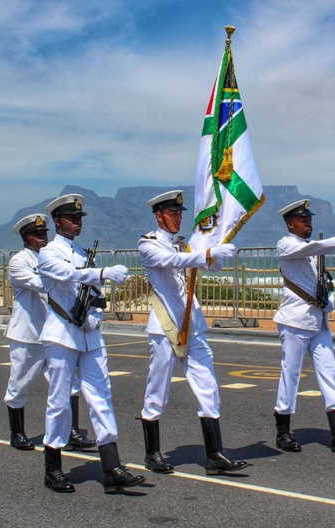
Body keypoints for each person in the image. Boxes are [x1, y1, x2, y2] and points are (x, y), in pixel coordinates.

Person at [37, 193, 145, 494]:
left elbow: (96, 294)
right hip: (61, 334)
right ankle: (53, 468)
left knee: (101, 396)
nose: (77, 222)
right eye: (71, 218)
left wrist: (95, 317)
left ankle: (112, 468)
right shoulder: (48, 253)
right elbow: (66, 274)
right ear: (57, 221)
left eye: (79, 218)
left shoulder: (85, 253)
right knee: (60, 401)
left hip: (89, 336)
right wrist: (102, 272)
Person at [137, 190, 248, 476]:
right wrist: (206, 253)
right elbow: (173, 262)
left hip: (192, 324)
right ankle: (152, 453)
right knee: (158, 389)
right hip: (165, 326)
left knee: (208, 384)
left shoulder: (185, 244)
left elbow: (210, 265)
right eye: (173, 213)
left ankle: (214, 454)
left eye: (180, 213)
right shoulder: (148, 244)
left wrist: (215, 249)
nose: (178, 218)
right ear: (159, 215)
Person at [273, 199, 335, 453]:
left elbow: (320, 280)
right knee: (291, 374)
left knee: (330, 373)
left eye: (309, 219)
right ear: (290, 224)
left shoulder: (311, 250)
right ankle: (283, 433)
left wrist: (329, 298)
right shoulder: (286, 244)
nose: (308, 223)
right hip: (295, 321)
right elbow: (316, 247)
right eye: (303, 220)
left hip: (319, 322)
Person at [3, 213, 95, 452]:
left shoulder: (53, 256)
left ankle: (72, 431)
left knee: (69, 384)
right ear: (26, 238)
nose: (42, 238)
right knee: (20, 384)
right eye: (36, 235)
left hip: (54, 334)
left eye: (44, 233)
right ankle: (17, 432)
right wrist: (71, 275)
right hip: (29, 335)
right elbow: (41, 284)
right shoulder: (19, 261)